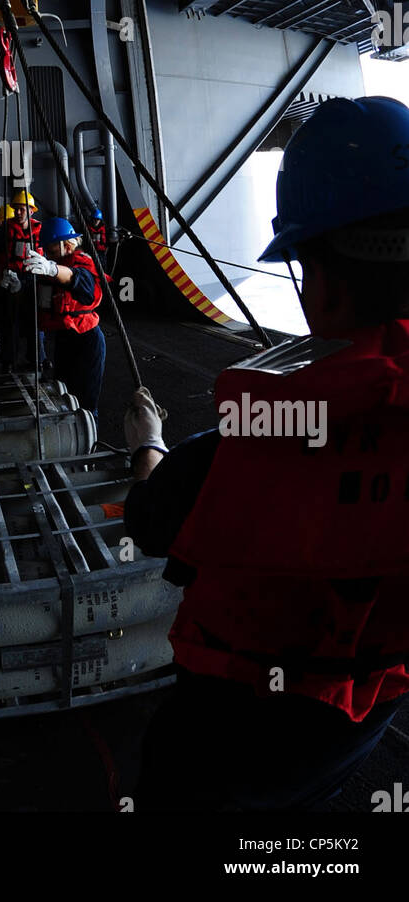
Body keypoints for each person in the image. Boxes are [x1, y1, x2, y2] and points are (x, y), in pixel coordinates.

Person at [123, 95, 409, 812]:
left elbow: (150, 518)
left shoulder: (229, 455)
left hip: (224, 737)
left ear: (330, 289)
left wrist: (146, 440)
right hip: (359, 719)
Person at [24, 216, 105, 417]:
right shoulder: (55, 264)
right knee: (64, 394)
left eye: (51, 251)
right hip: (65, 338)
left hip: (87, 339)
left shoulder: (82, 263)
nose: (49, 256)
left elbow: (80, 280)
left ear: (67, 245)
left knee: (85, 401)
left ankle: (89, 439)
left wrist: (52, 269)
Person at [0, 190, 44, 371]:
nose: (17, 213)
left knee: (36, 323)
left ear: (31, 211)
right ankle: (9, 360)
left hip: (33, 280)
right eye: (15, 209)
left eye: (21, 209)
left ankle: (38, 359)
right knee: (10, 322)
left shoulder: (41, 230)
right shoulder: (6, 230)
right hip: (13, 280)